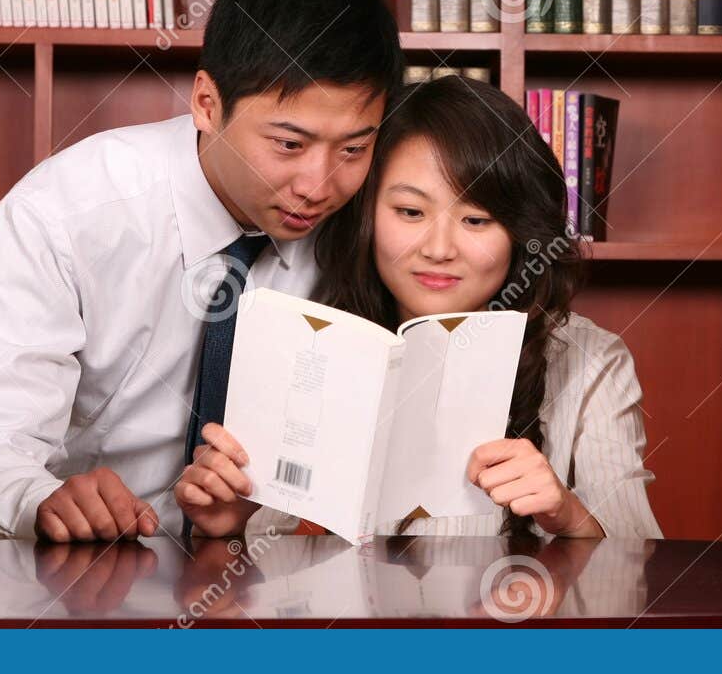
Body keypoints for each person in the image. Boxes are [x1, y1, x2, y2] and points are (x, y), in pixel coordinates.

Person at [0, 0, 403, 542]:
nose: (318, 186)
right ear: (207, 104)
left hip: (257, 574)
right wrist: (41, 500)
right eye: (289, 145)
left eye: (353, 149)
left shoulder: (372, 222)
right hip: (78, 569)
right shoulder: (65, 212)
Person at [175, 75, 663, 539]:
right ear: (366, 215)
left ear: (519, 231)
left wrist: (567, 516)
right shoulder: (311, 345)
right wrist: (228, 526)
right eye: (410, 212)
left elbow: (641, 567)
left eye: (476, 220)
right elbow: (265, 570)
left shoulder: (589, 361)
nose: (439, 248)